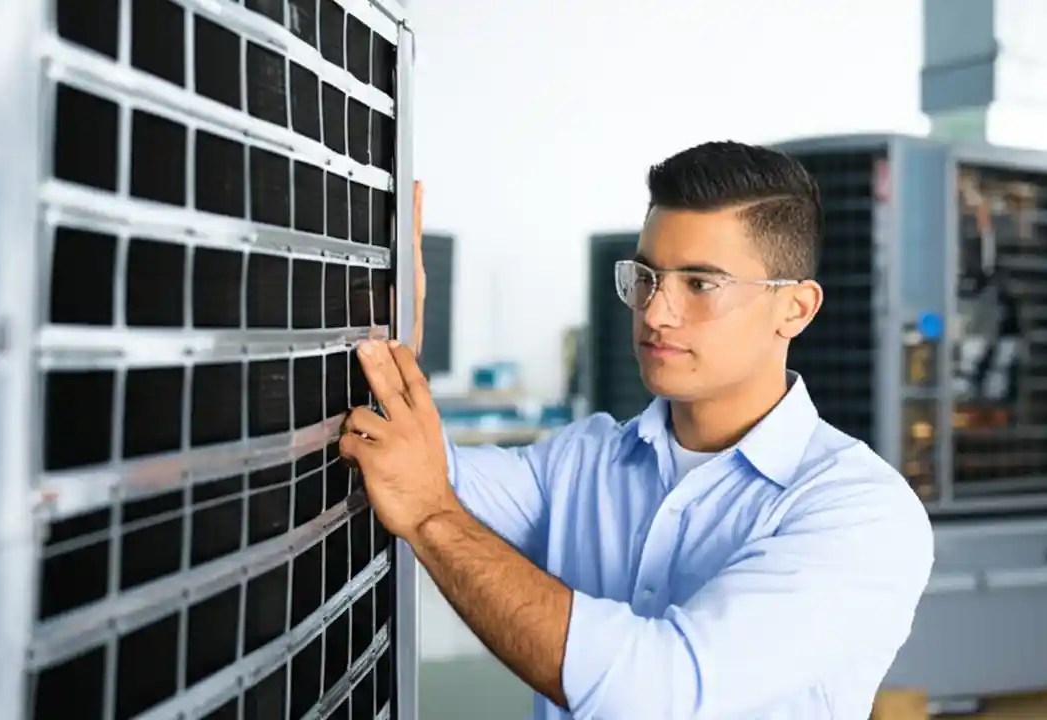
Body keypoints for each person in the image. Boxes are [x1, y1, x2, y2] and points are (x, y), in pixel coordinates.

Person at [339, 141, 934, 719]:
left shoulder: (860, 513)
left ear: (795, 309)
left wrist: (432, 517)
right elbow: (413, 469)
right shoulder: (583, 460)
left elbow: (654, 694)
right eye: (647, 276)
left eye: (700, 284)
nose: (655, 313)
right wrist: (397, 343)